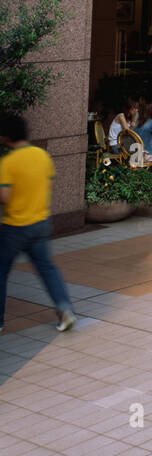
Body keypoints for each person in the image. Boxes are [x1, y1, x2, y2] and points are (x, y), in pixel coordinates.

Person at [0, 114, 75, 333]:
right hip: (41, 223)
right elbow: (48, 185)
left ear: (6, 137)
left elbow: (4, 197)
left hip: (15, 226)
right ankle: (65, 309)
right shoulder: (42, 156)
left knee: (1, 271)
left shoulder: (8, 162)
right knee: (47, 269)